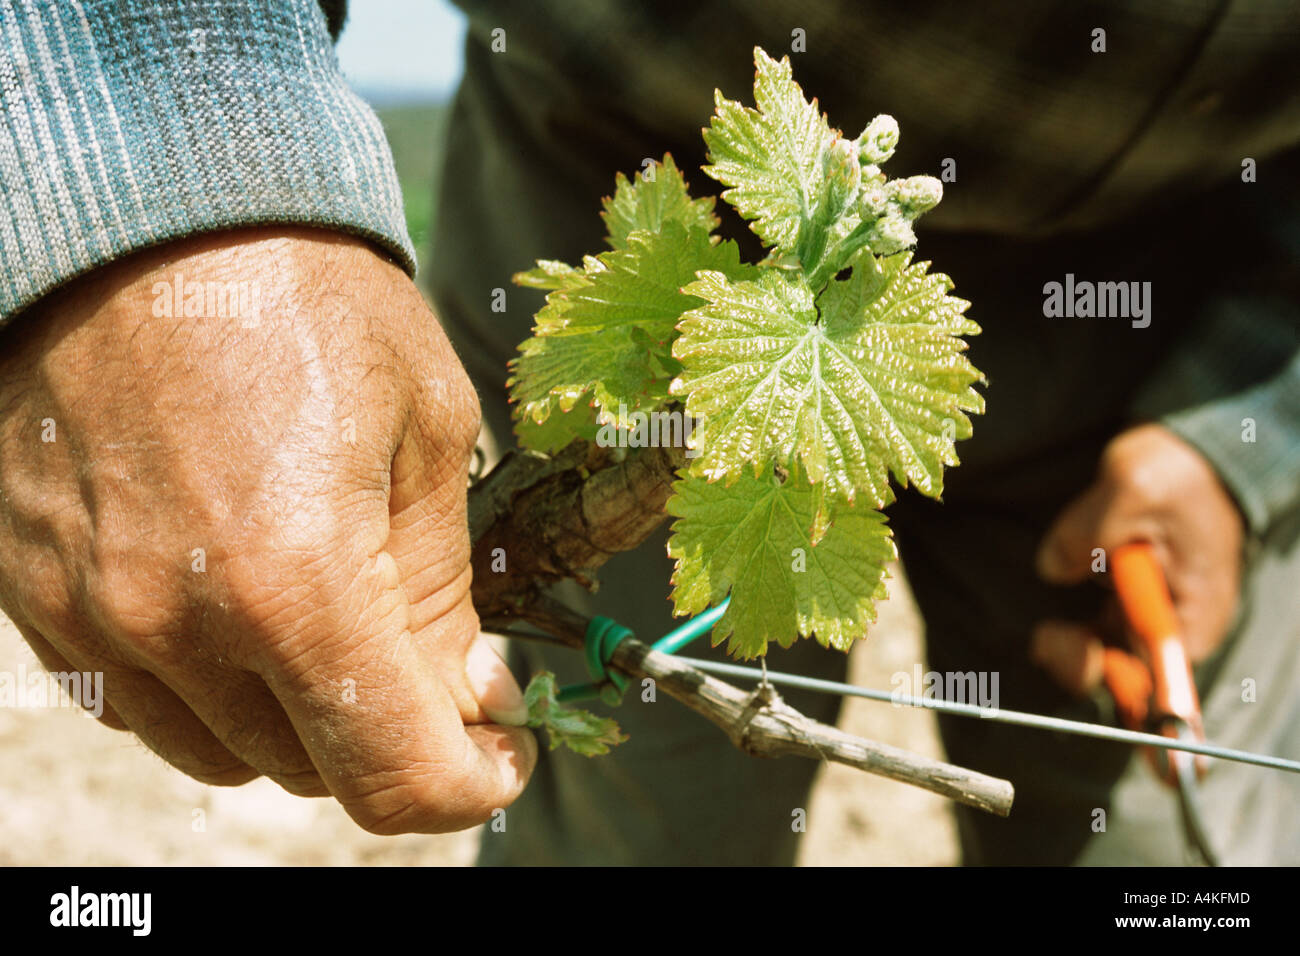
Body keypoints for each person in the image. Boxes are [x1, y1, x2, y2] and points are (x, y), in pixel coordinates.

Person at [2, 0, 1296, 865]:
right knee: (647, 823)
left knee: (1178, 859)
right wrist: (149, 172)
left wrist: (1249, 424)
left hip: (1198, 271)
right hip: (618, 157)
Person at [427, 0, 1300, 864]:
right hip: (627, 140)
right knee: (664, 816)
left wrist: (1245, 428)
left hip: (1171, 274)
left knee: (1150, 847)